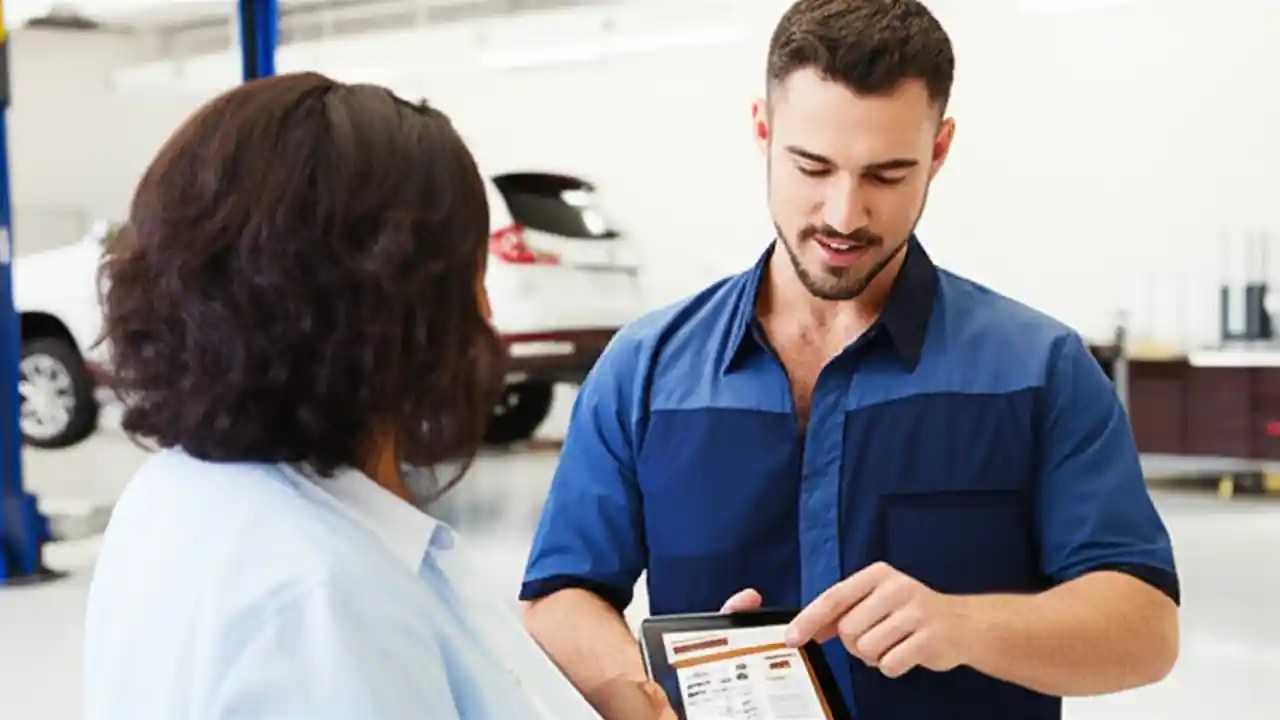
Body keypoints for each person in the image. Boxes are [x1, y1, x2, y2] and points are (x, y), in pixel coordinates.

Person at [519, 1, 1180, 718]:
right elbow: (562, 593)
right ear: (763, 131)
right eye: (812, 167)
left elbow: (1144, 626)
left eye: (886, 176)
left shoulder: (1040, 372)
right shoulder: (643, 373)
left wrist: (966, 627)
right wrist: (645, 701)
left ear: (940, 150)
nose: (843, 213)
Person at [82, 72, 606, 719]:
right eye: (473, 274)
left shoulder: (177, 491)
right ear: (396, 303)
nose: (486, 309)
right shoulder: (322, 595)